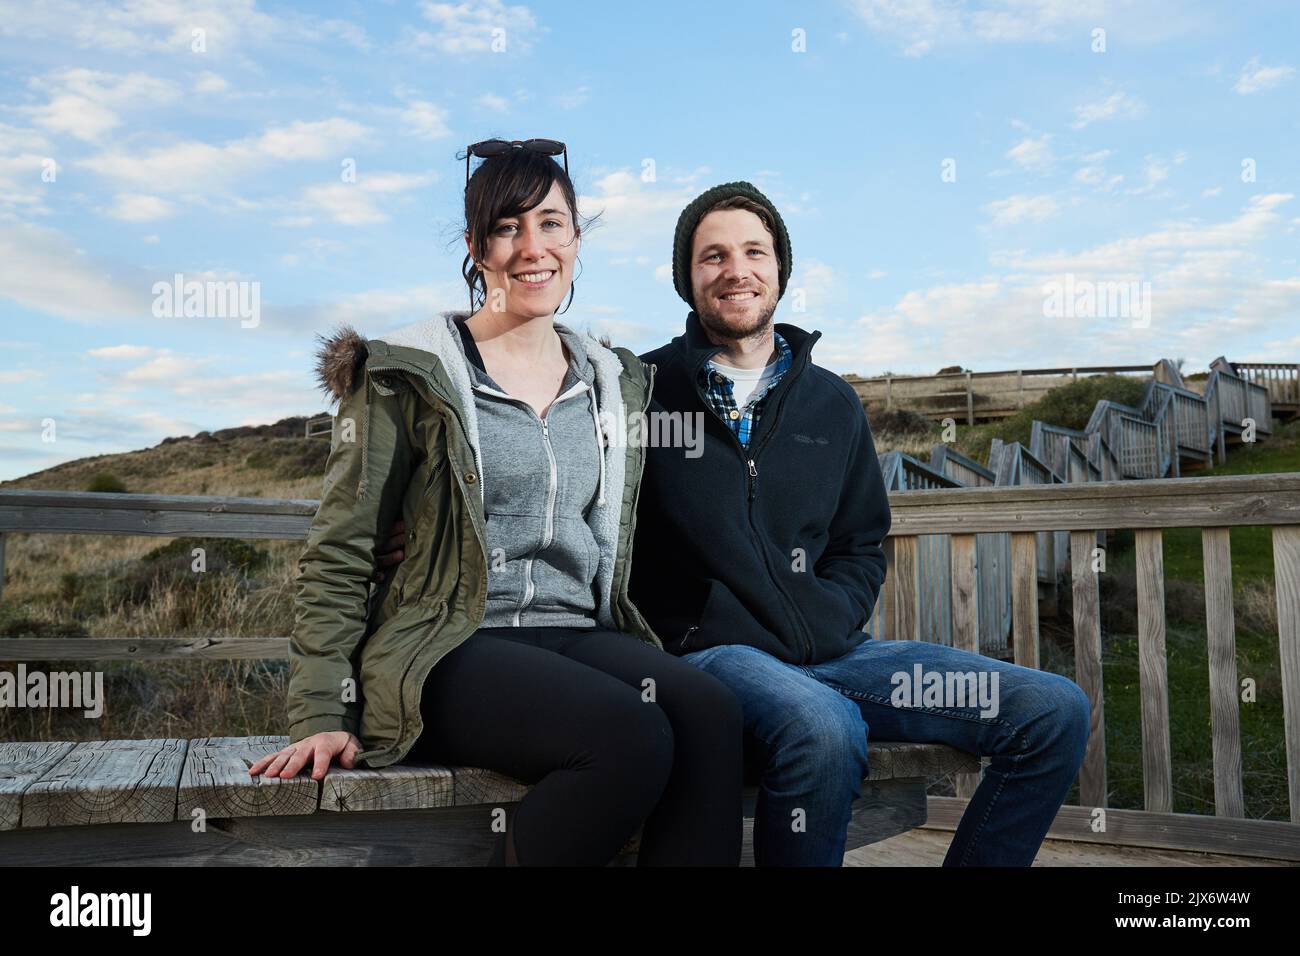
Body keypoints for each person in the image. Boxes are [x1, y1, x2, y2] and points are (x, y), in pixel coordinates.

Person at [249, 141, 744, 867]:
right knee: (630, 735)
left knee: (710, 713)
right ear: (478, 246)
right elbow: (341, 549)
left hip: (578, 634)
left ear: (577, 237)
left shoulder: (610, 382)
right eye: (508, 227)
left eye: (551, 223)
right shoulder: (406, 375)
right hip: (451, 645)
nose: (532, 248)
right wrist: (322, 710)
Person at [628, 181, 1093, 867]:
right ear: (686, 278)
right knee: (823, 728)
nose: (736, 270)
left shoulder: (831, 402)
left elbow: (860, 544)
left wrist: (830, 615)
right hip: (713, 656)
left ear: (780, 268)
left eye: (755, 251)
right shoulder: (641, 389)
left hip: (838, 654)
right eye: (713, 256)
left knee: (1055, 710)